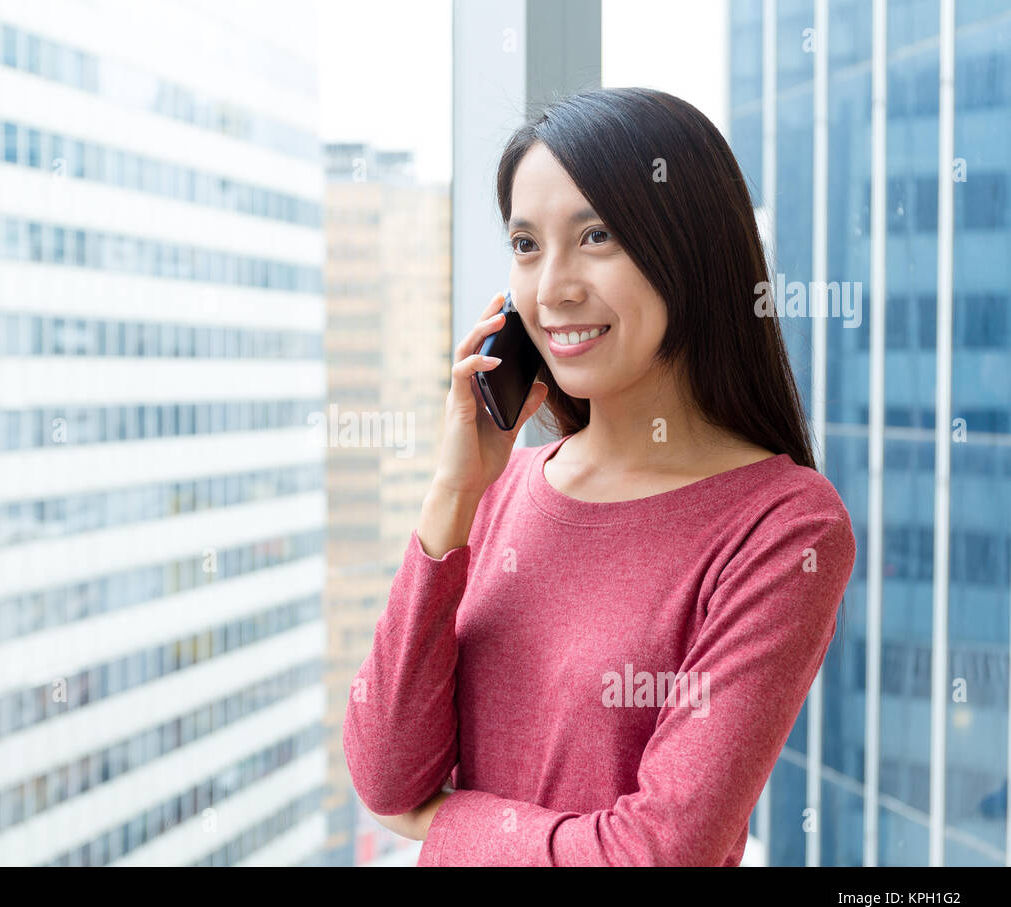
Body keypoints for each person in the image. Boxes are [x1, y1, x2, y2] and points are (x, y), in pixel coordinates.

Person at [342, 87, 857, 866]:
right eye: (525, 245)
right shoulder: (502, 490)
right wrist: (453, 496)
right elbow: (386, 776)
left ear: (692, 247)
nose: (552, 288)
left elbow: (657, 852)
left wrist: (448, 823)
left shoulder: (784, 527)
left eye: (597, 235)